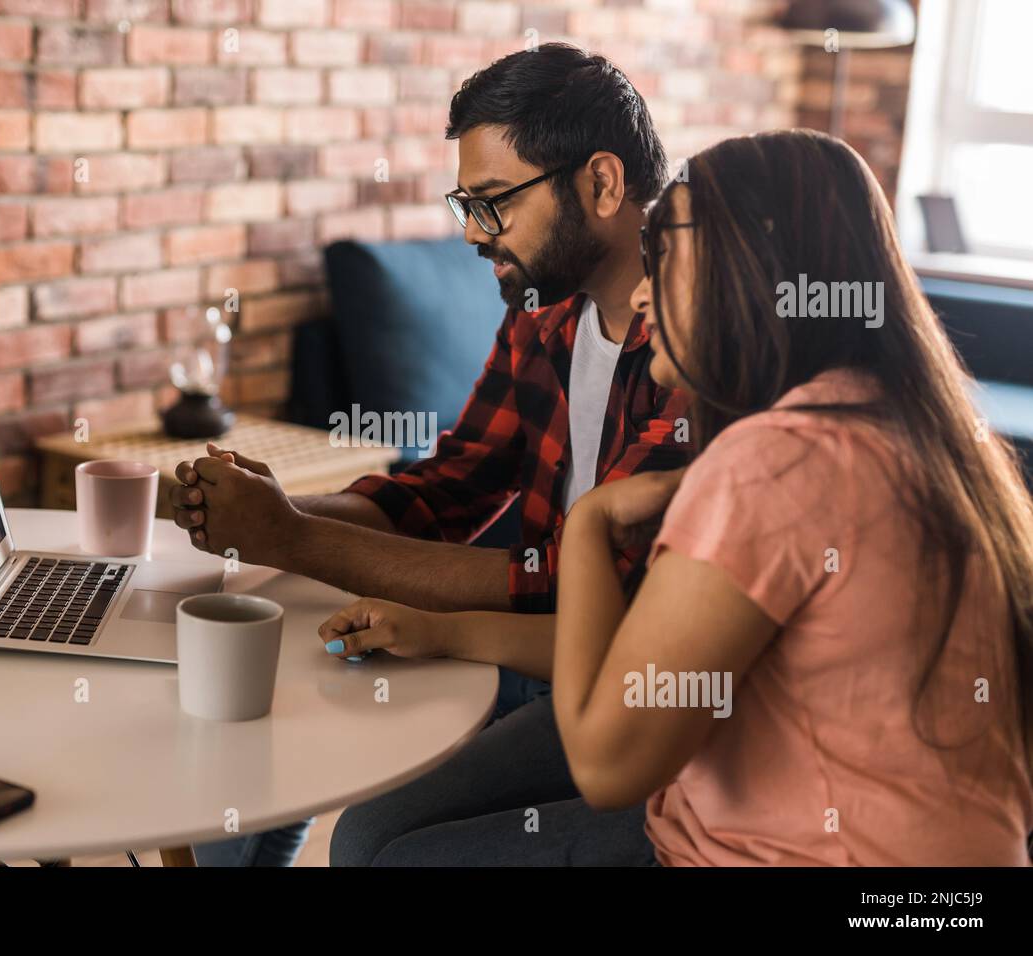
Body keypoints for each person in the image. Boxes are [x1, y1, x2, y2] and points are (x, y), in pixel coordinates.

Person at [176, 44, 689, 866]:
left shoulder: (695, 343)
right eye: (465, 205)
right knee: (266, 691)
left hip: (620, 683)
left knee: (372, 837)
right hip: (548, 654)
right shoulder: (543, 310)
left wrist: (292, 539)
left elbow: (565, 579)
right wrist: (270, 511)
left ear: (601, 183)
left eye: (494, 204)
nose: (472, 236)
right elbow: (451, 486)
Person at [552, 129, 1033, 865]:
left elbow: (604, 764)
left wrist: (586, 524)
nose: (643, 290)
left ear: (755, 262)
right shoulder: (932, 432)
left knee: (396, 851)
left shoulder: (779, 462)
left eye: (665, 252)